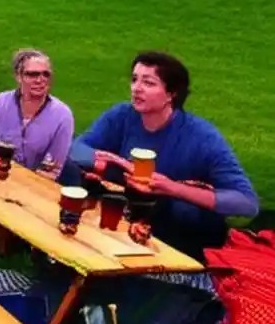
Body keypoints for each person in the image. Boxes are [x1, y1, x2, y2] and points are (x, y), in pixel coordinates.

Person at [65, 52, 258, 258]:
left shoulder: (203, 138)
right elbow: (75, 148)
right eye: (134, 79)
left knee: (182, 210)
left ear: (171, 94)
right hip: (132, 214)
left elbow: (246, 203)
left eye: (148, 83)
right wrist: (107, 161)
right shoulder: (123, 115)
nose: (136, 88)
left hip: (180, 232)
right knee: (71, 172)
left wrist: (172, 188)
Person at [0, 49, 74, 178]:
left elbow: (51, 170)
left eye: (46, 74)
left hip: (33, 185)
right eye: (32, 74)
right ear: (18, 76)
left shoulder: (63, 116)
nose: (40, 80)